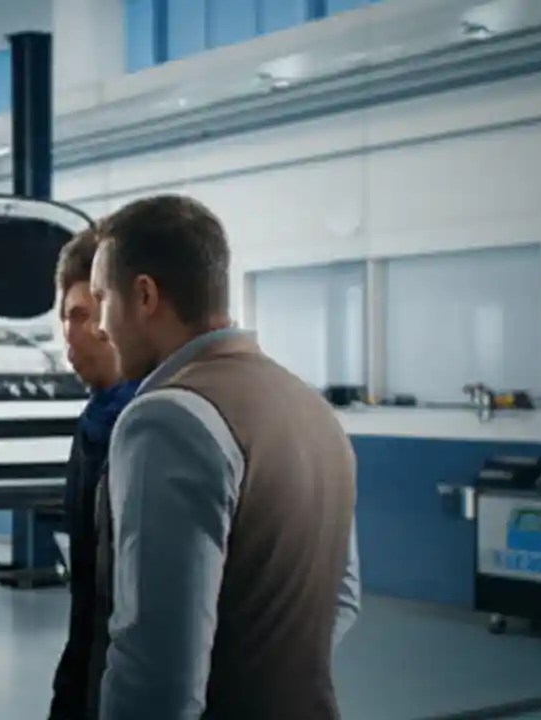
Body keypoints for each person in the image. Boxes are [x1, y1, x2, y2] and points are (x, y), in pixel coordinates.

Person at [88, 195, 361, 720]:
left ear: (144, 295)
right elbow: (342, 595)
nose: (99, 325)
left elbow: (159, 664)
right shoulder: (312, 407)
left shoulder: (167, 419)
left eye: (102, 298)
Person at [47, 228, 141, 720]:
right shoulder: (95, 421)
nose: (82, 331)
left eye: (88, 314)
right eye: (71, 316)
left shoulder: (150, 426)